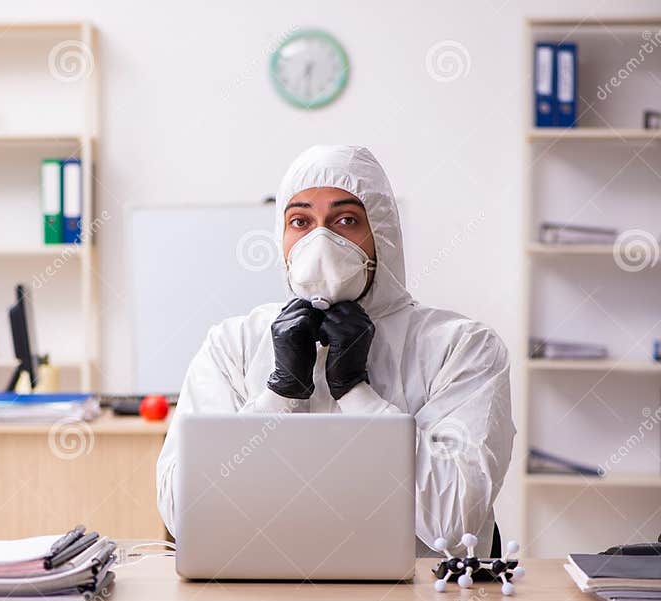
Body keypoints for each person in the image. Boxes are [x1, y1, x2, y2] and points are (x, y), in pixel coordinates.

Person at [156, 145, 514, 556]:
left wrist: (357, 394)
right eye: (300, 221)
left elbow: (453, 524)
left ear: (382, 236)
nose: (320, 240)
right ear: (282, 238)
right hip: (262, 597)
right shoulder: (232, 344)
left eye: (345, 220)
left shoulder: (461, 346)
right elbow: (185, 515)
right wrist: (278, 394)